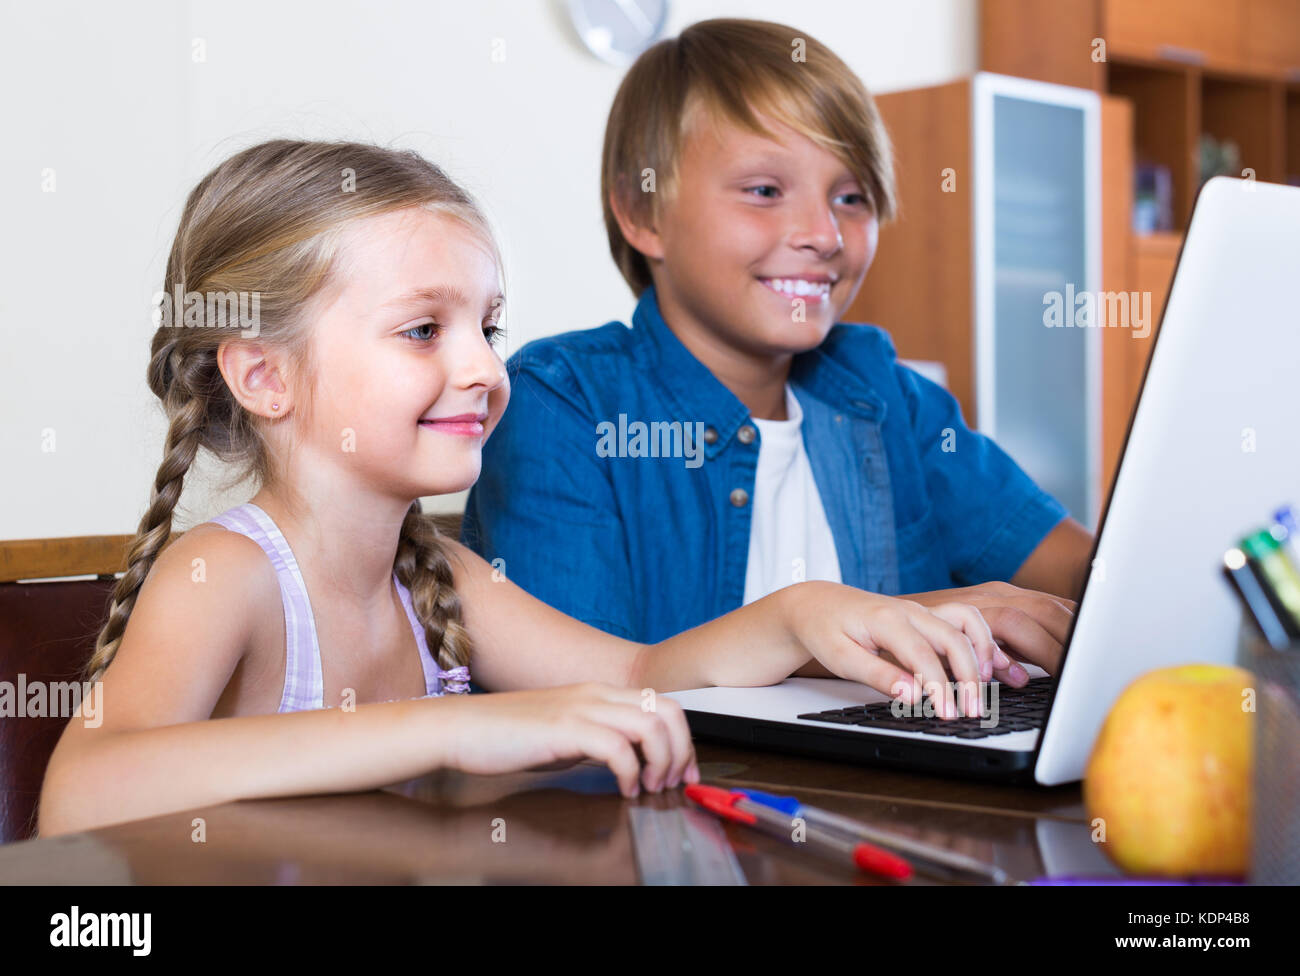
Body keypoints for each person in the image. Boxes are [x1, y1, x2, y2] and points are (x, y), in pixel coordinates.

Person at [39, 139, 1000, 837]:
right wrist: (454, 725)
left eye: (486, 329)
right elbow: (81, 793)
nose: (484, 370)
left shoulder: (435, 571)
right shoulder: (229, 572)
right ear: (263, 377)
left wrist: (801, 616)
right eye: (424, 331)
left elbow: (631, 677)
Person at [463, 18, 1093, 687]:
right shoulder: (564, 403)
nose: (824, 234)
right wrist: (907, 620)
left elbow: (1089, 572)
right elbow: (583, 693)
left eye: (852, 198)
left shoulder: (889, 399)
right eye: (765, 191)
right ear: (642, 213)